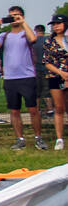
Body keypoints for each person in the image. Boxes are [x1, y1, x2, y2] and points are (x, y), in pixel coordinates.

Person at [0, 5, 46, 152]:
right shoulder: (5, 35)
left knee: (33, 109)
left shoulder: (26, 33)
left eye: (17, 15)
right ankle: (20, 139)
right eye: (12, 15)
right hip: (10, 78)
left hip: (27, 76)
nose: (14, 18)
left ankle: (38, 137)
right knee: (14, 111)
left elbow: (33, 38)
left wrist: (23, 23)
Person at [43, 14, 68, 153]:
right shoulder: (49, 41)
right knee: (59, 107)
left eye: (59, 23)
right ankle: (59, 139)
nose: (56, 26)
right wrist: (61, 73)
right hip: (56, 77)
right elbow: (47, 62)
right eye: (54, 24)